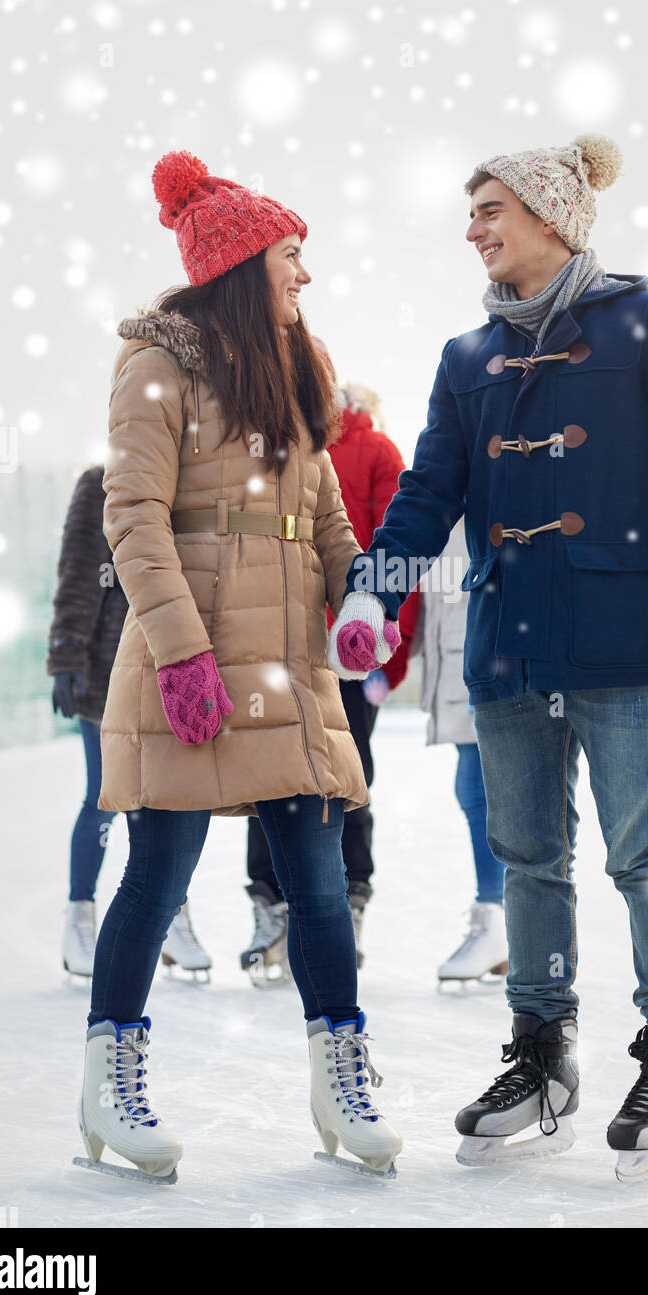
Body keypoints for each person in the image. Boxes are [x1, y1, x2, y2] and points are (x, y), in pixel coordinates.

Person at [328, 134, 648, 1180]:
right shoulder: (467, 360)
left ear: (553, 215)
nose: (471, 228)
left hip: (618, 638)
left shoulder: (646, 324)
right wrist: (373, 592)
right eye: (467, 212)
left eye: (488, 207)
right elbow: (425, 497)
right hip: (507, 643)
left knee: (639, 853)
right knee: (525, 859)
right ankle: (542, 1051)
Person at [78, 149, 403, 1183]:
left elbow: (330, 516)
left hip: (291, 668)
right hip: (198, 660)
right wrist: (178, 653)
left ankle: (339, 1080)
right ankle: (110, 1083)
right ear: (241, 261)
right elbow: (132, 517)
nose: (305, 275)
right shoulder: (156, 365)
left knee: (316, 883)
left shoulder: (301, 364)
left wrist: (356, 599)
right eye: (290, 255)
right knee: (158, 873)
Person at [241, 369, 420, 978]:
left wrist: (388, 646)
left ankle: (348, 898)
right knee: (269, 771)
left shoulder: (374, 449)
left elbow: (397, 553)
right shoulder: (264, 440)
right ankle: (270, 904)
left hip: (350, 650)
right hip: (278, 643)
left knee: (346, 773)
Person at [46, 467, 210, 980]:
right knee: (104, 797)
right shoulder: (100, 483)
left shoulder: (189, 482)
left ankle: (172, 919)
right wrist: (65, 657)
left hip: (168, 669)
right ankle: (80, 920)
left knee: (166, 799)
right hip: (105, 673)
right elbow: (77, 576)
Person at [414, 516, 507, 985]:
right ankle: (502, 920)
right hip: (462, 646)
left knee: (484, 788)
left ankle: (501, 919)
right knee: (477, 787)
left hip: (487, 646)